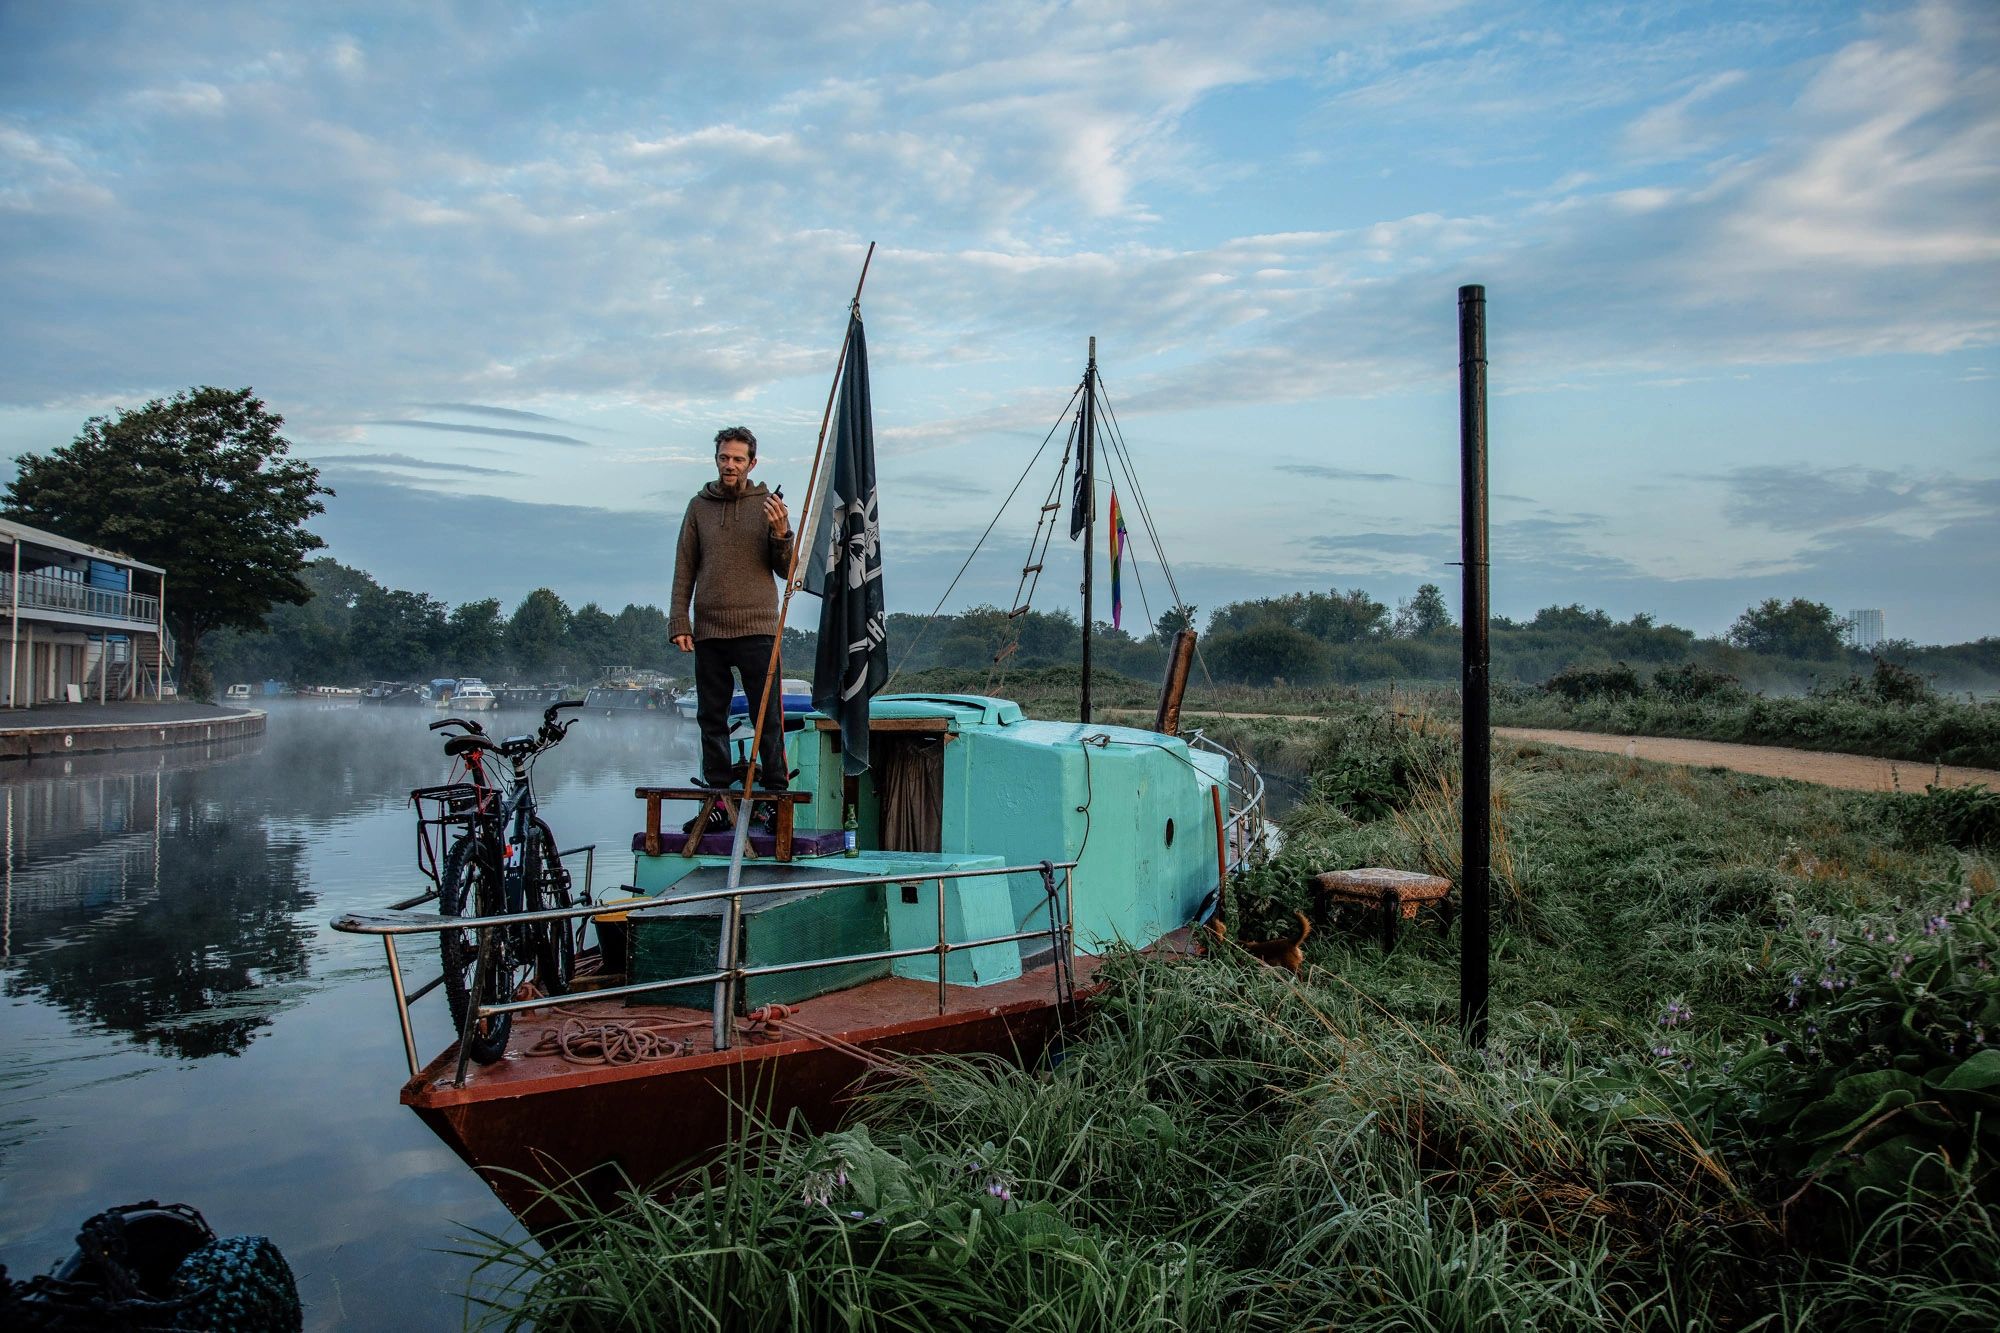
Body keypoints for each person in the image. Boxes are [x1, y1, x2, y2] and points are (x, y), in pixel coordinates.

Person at [669, 426, 794, 793]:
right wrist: (680, 621)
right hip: (709, 630)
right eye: (724, 458)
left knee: (766, 715)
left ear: (752, 463)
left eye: (738, 459)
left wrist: (781, 532)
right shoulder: (698, 507)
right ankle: (718, 788)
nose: (730, 465)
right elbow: (684, 566)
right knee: (711, 715)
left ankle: (775, 786)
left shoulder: (769, 506)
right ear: (716, 459)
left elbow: (788, 571)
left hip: (758, 627)